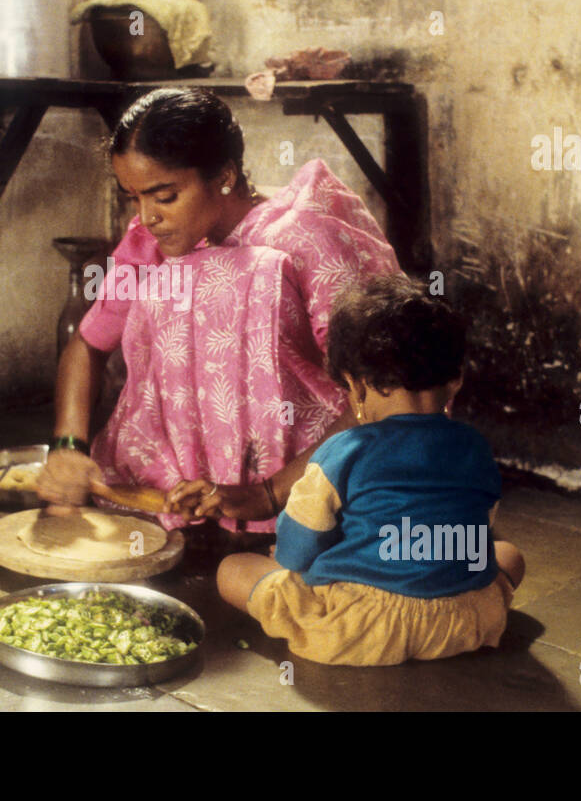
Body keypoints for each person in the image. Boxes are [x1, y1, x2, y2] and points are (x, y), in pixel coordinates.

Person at [35, 87, 400, 532]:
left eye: (164, 196)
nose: (148, 216)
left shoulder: (308, 238)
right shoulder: (149, 242)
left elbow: (384, 391)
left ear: (224, 176)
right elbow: (88, 344)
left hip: (311, 487)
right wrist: (68, 444)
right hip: (189, 501)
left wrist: (270, 493)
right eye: (135, 198)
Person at [217, 274, 526, 665]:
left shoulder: (342, 452)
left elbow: (295, 552)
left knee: (234, 569)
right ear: (456, 379)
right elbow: (479, 526)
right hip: (463, 623)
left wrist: (298, 559)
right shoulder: (476, 447)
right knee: (509, 554)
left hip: (359, 629)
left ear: (358, 387)